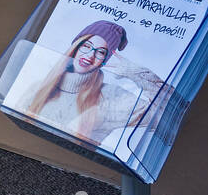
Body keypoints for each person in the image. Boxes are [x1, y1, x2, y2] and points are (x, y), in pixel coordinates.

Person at [25, 20, 167, 146]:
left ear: (105, 60)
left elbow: (164, 119)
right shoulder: (39, 87)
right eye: (86, 46)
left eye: (100, 52)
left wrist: (139, 75)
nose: (90, 55)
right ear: (76, 47)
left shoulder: (110, 97)